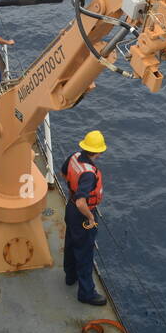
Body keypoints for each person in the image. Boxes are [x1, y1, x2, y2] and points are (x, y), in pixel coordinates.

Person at [61, 131, 108, 306]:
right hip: (82, 212)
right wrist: (90, 218)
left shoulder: (74, 157)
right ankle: (86, 293)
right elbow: (82, 203)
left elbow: (63, 172)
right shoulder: (89, 173)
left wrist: (72, 193)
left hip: (70, 208)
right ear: (98, 152)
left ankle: (70, 276)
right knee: (85, 252)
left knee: (71, 243)